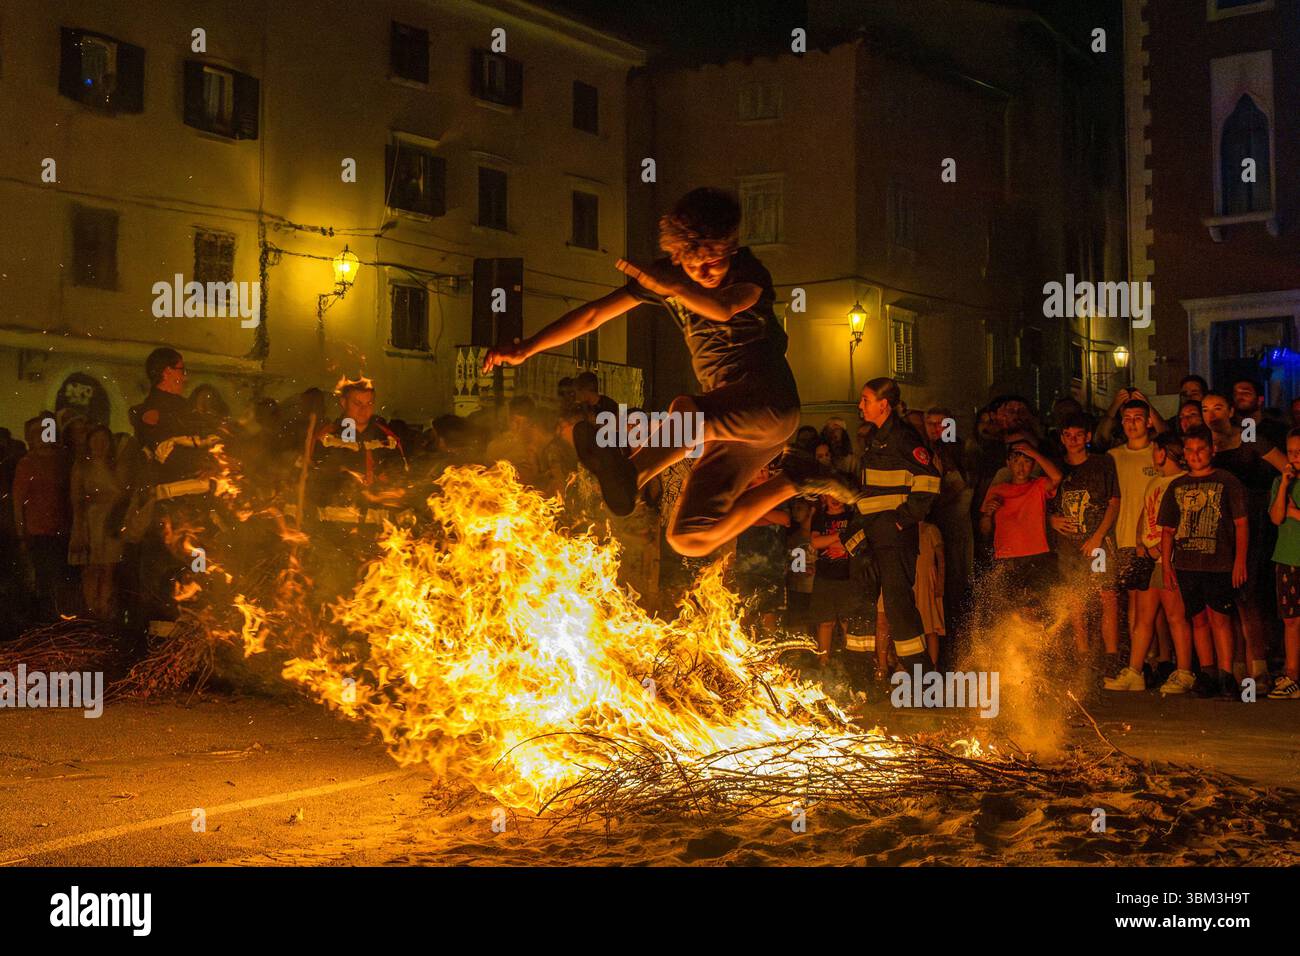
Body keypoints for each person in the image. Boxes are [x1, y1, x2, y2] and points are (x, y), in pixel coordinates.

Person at [482, 187, 840, 556]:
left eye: (714, 262)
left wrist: (673, 285)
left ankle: (630, 476)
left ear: (730, 248)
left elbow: (723, 307)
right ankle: (793, 480)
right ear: (677, 256)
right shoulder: (668, 276)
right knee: (688, 537)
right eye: (693, 264)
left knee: (688, 411)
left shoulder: (749, 273)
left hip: (768, 405)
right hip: (734, 428)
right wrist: (528, 347)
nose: (704, 272)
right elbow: (593, 315)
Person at [831, 378, 942, 679]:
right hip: (871, 537)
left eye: (865, 400)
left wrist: (902, 519)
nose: (860, 405)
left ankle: (922, 682)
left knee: (898, 608)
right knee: (861, 604)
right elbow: (873, 497)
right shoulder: (876, 438)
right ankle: (861, 678)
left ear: (884, 404)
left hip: (893, 537)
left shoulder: (905, 438)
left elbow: (930, 482)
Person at [128, 348, 223, 634]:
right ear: (167, 372)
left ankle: (190, 642)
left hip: (197, 508)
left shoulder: (187, 412)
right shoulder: (149, 412)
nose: (185, 376)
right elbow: (166, 451)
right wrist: (202, 455)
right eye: (182, 369)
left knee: (198, 570)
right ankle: (161, 651)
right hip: (171, 509)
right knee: (166, 575)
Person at [1158, 425, 1249, 699]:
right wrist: (1166, 565)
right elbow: (1168, 530)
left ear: (1212, 449)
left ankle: (1226, 675)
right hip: (1187, 564)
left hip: (1219, 563)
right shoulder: (1177, 485)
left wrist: (1239, 561)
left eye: (1201, 449)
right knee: (1197, 619)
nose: (1196, 455)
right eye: (1190, 450)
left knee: (1220, 618)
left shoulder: (1227, 481)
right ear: (1184, 453)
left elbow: (1241, 524)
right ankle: (1207, 673)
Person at [1203, 390, 1286, 686]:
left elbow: (1286, 467)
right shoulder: (1204, 446)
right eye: (1205, 409)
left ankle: (1259, 668)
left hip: (1251, 522)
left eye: (1217, 408)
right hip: (1217, 526)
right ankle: (1237, 668)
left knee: (1248, 592)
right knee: (1226, 596)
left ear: (1230, 410)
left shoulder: (1248, 437)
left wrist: (1281, 499)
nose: (1211, 414)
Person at [1107, 431, 1198, 694]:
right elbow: (1145, 513)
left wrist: (1160, 549)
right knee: (1144, 618)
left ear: (1163, 453)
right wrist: (1139, 544)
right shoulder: (1155, 482)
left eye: (1155, 450)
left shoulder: (1183, 482)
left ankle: (1184, 672)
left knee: (1175, 616)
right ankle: (1135, 672)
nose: (1152, 456)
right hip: (1148, 557)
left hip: (1169, 559)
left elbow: (1183, 523)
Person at [1049, 412, 1120, 657]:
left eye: (1079, 435)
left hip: (1099, 543)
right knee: (1076, 598)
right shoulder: (1056, 468)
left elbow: (1113, 501)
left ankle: (1110, 654)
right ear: (1062, 438)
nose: (1073, 439)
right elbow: (1044, 503)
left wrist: (1099, 536)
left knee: (1107, 595)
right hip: (1069, 545)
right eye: (1068, 435)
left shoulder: (1102, 463)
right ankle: (1083, 653)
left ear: (1087, 436)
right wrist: (1051, 519)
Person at [1105, 397, 1162, 678]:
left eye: (1138, 417)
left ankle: (1157, 659)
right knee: (1133, 602)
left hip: (1156, 540)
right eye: (1127, 419)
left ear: (1149, 421)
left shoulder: (1158, 453)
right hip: (1125, 538)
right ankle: (1138, 662)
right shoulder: (1114, 457)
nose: (1132, 423)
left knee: (1158, 605)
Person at [978, 439, 1063, 620]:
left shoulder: (1038, 485)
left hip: (1036, 553)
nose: (1021, 467)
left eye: (1026, 462)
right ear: (1008, 463)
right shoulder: (997, 490)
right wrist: (988, 514)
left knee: (1036, 602)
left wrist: (1035, 453)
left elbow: (1056, 478)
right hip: (1007, 556)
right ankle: (1015, 642)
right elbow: (985, 530)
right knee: (1012, 605)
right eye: (1016, 462)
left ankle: (1039, 641)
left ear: (1033, 464)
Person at [12, 412, 72, 621]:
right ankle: (45, 622)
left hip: (63, 529)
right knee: (45, 579)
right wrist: (21, 533)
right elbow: (18, 502)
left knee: (61, 578)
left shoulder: (63, 459)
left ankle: (57, 620)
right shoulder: (27, 463)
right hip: (39, 532)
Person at [68, 425, 128, 621]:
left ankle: (105, 610)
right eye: (96, 440)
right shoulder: (82, 467)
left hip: (111, 522)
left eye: (103, 440)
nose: (100, 445)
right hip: (90, 522)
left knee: (108, 569)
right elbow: (76, 499)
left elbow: (121, 494)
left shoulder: (116, 466)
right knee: (91, 569)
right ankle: (91, 611)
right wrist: (79, 526)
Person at [1267, 427, 1300, 699]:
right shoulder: (1281, 482)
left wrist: (1294, 511)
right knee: (1291, 620)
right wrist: (1285, 489)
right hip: (1287, 558)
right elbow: (1277, 518)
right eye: (1290, 452)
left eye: (1299, 452)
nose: (1295, 457)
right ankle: (1292, 675)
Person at [808, 493, 854, 666]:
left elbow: (854, 543)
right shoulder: (820, 517)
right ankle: (823, 660)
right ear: (824, 497)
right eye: (831, 495)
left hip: (848, 576)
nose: (836, 498)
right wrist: (839, 537)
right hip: (825, 577)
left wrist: (828, 541)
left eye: (840, 494)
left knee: (846, 620)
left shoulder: (852, 517)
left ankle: (849, 660)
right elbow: (815, 543)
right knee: (825, 621)